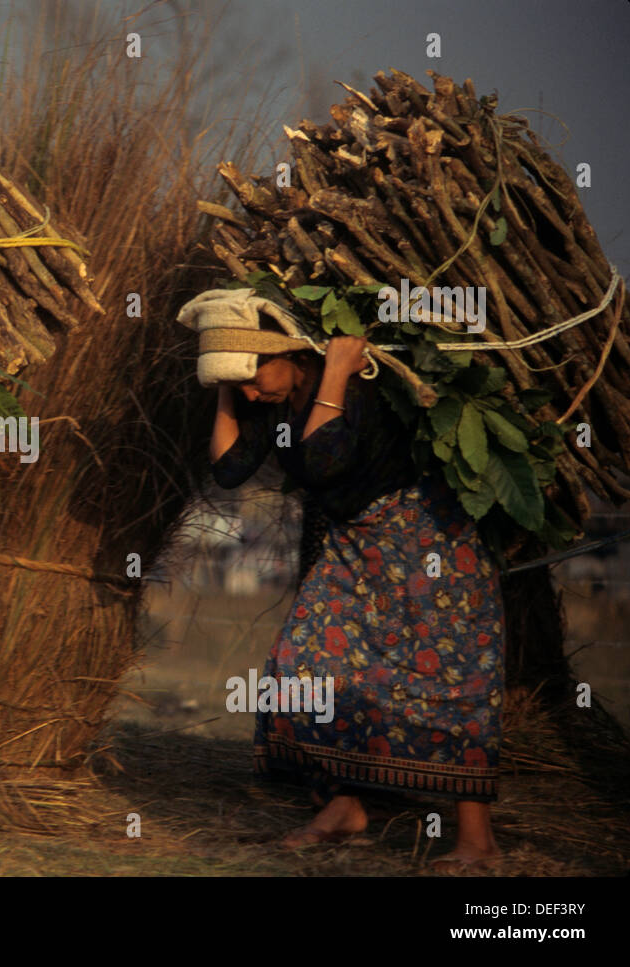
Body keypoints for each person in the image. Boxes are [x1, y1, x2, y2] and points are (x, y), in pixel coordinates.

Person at [180, 289, 505, 870]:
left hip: (428, 543)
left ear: (293, 352)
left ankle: (476, 841)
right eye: (242, 383)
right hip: (354, 547)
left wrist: (333, 369)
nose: (255, 391)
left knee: (447, 680)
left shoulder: (358, 385)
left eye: (256, 373)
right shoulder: (269, 400)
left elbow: (323, 461)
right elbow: (229, 469)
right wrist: (228, 383)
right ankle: (342, 806)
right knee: (305, 665)